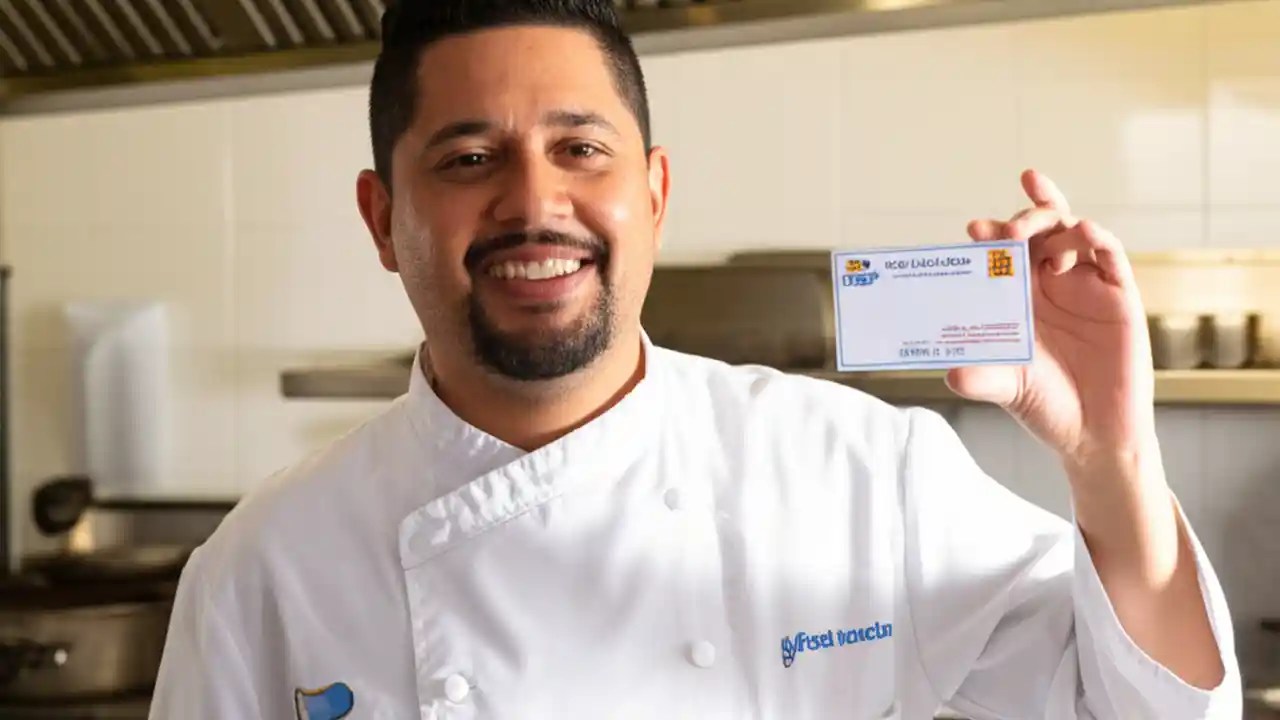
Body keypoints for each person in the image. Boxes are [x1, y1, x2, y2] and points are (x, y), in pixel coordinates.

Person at [149, 1, 1241, 718]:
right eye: (470, 158)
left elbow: (1141, 708)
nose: (534, 202)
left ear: (656, 193)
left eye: (581, 148)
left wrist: (1110, 459)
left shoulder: (864, 474)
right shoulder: (261, 573)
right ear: (383, 219)